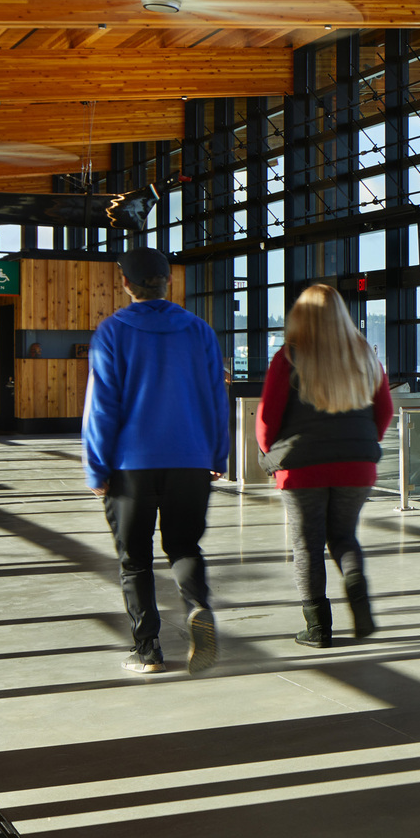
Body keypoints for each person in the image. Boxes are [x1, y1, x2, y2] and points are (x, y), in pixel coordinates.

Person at [83, 246, 229, 675]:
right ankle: (197, 606)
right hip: (190, 460)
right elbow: (216, 401)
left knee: (135, 559)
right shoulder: (199, 331)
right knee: (184, 546)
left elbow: (102, 407)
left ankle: (147, 650)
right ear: (168, 281)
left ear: (125, 282)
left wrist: (97, 467)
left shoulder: (112, 332)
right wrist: (216, 453)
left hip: (130, 466)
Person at [255, 284, 392, 649]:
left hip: (303, 467)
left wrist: (274, 455)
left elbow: (267, 417)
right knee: (344, 537)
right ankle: (357, 590)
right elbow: (385, 411)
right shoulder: (365, 356)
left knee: (307, 546)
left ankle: (317, 628)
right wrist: (362, 447)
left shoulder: (290, 357)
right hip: (357, 465)